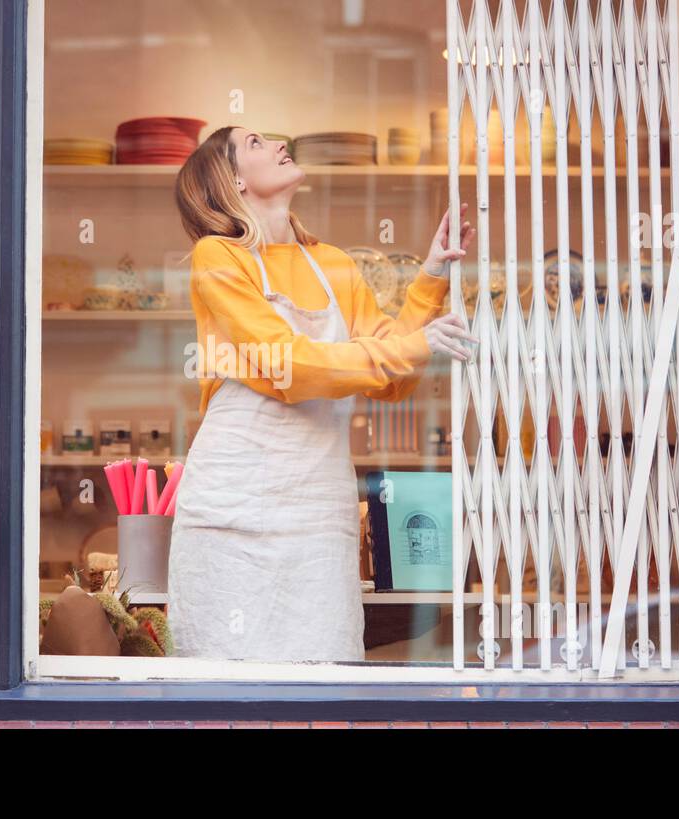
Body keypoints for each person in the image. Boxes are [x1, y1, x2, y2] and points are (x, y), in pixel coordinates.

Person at [168, 126, 476, 662]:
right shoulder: (217, 258)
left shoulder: (331, 263)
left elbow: (394, 378)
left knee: (325, 674)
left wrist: (429, 281)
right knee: (223, 685)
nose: (278, 142)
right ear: (233, 178)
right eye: (256, 142)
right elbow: (289, 367)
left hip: (317, 509)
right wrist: (416, 345)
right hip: (232, 505)